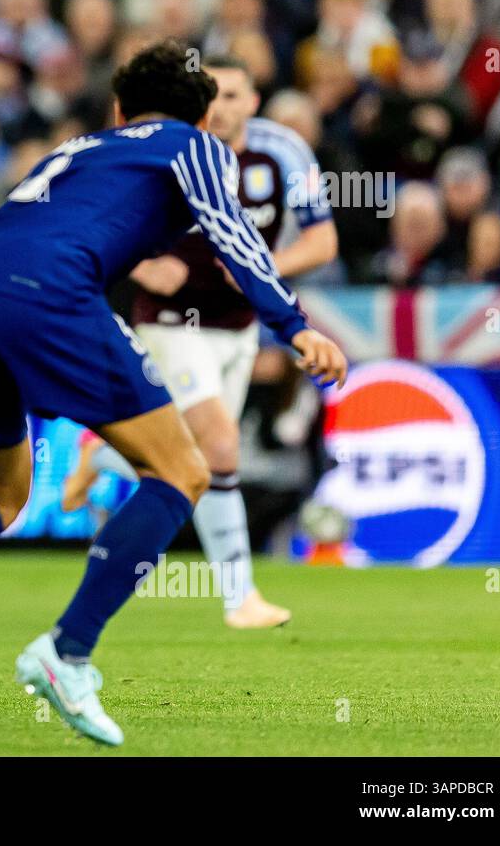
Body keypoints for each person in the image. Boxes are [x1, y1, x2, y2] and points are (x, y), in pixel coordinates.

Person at [0, 41, 347, 746]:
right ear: (206, 116)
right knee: (183, 470)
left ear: (120, 110)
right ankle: (67, 652)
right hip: (50, 291)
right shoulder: (196, 146)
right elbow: (236, 237)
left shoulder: (82, 149)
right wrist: (295, 327)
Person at [121, 55, 338, 628]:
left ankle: (106, 453)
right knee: (220, 444)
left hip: (240, 328)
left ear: (255, 101)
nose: (221, 107)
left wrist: (259, 264)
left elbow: (322, 242)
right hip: (170, 322)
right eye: (212, 96)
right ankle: (240, 597)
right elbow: (107, 221)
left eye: (234, 96)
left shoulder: (284, 152)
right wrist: (143, 265)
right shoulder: (167, 147)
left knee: (192, 457)